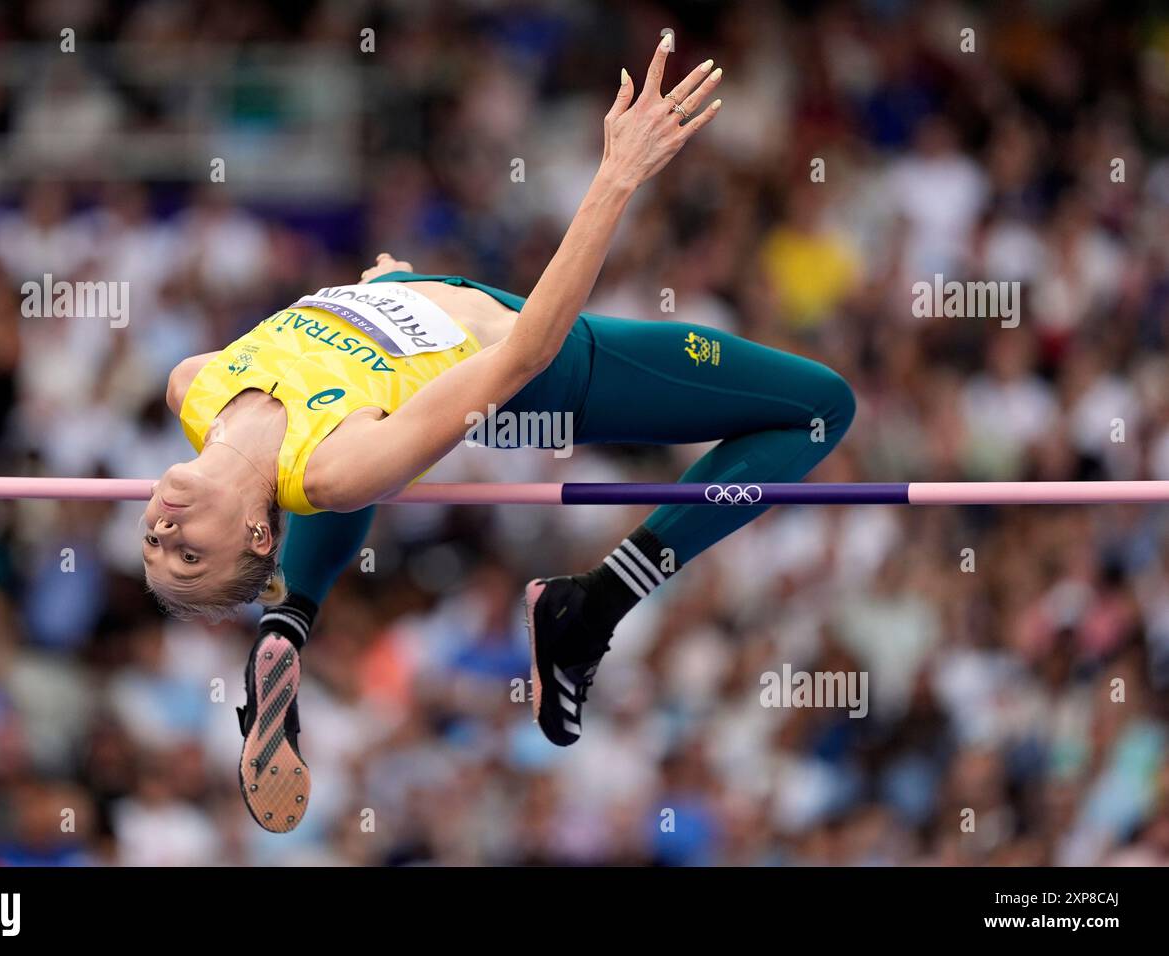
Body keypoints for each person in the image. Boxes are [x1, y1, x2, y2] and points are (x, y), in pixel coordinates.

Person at [144, 38, 856, 831]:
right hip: (541, 357)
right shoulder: (333, 467)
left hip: (422, 296)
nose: (163, 531)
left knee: (326, 471)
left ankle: (287, 623)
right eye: (189, 554)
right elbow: (527, 354)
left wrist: (379, 292)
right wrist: (616, 178)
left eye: (155, 544)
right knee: (820, 406)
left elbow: (316, 353)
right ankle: (593, 605)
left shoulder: (193, 385)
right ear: (253, 532)